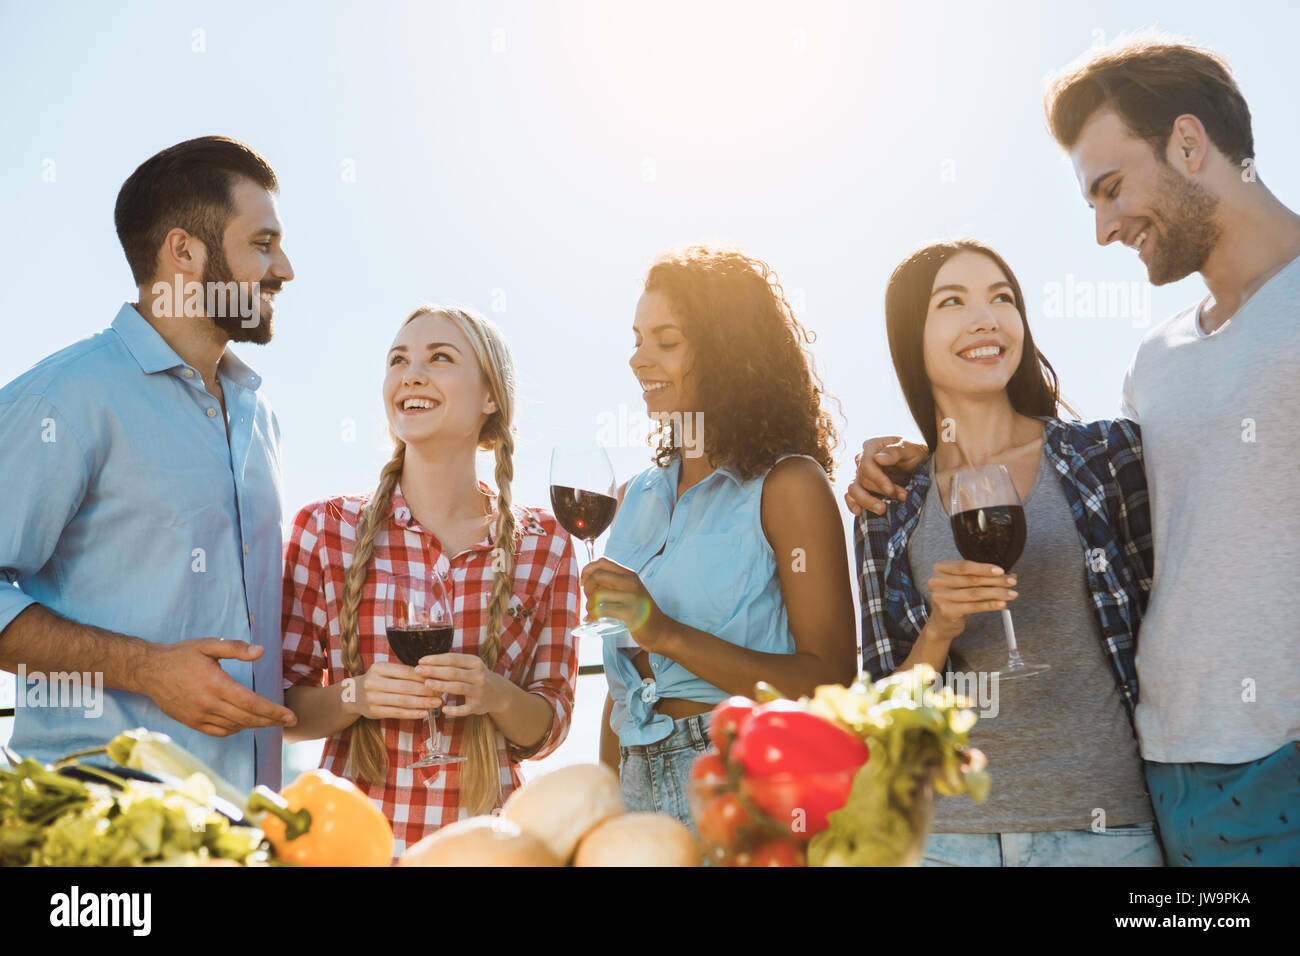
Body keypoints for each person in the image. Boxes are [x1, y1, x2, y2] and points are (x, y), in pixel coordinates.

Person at [850, 37, 1300, 866]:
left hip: (1260, 769)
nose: (1101, 229)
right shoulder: (1158, 364)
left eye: (1111, 188)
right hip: (1171, 769)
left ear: (1190, 145)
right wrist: (924, 459)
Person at [0, 136, 297, 792]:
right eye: (262, 243)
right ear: (185, 252)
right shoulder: (64, 398)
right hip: (104, 818)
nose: (285, 269)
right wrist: (146, 668)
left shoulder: (260, 413)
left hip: (253, 827)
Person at [855, 238, 1162, 866]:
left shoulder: (1109, 456)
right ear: (912, 335)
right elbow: (888, 710)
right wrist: (940, 628)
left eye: (1002, 298)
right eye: (952, 302)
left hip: (1104, 828)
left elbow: (1174, 621)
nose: (986, 318)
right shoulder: (886, 506)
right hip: (946, 839)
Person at [280, 305, 580, 857]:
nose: (411, 374)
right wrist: (358, 694)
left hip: (488, 849)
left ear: (490, 397)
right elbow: (281, 709)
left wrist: (494, 693)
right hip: (347, 845)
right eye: (398, 360)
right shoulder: (326, 529)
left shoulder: (547, 544)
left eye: (439, 358)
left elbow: (549, 726)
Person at [584, 245, 858, 828]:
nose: (638, 359)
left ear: (727, 350)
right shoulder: (636, 496)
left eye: (666, 340)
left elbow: (828, 680)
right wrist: (604, 820)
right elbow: (624, 694)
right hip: (633, 790)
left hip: (742, 782)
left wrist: (664, 632)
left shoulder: (788, 485)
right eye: (637, 338)